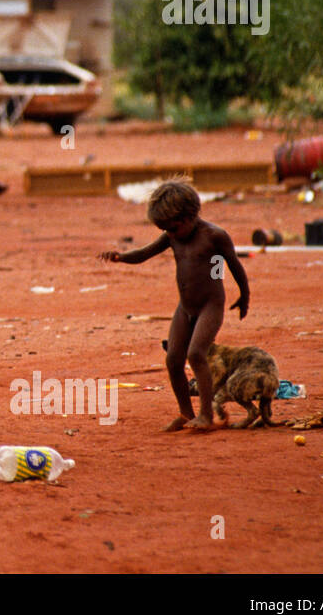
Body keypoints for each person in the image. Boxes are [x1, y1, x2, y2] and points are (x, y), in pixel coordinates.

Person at [98, 179, 250, 432]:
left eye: (174, 228)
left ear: (191, 215)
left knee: (196, 354)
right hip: (185, 307)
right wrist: (120, 257)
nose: (170, 233)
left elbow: (235, 266)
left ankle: (206, 415)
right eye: (165, 229)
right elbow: (144, 253)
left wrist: (244, 296)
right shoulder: (172, 236)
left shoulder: (215, 237)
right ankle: (185, 413)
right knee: (173, 360)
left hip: (210, 306)